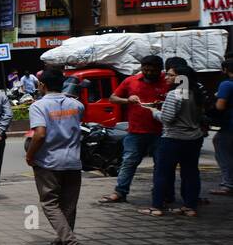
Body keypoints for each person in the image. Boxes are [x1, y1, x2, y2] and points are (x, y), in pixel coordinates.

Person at [26, 69, 86, 245]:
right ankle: (61, 243)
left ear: (42, 85)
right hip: (73, 162)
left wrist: (30, 155)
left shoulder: (38, 106)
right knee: (68, 205)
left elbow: (40, 134)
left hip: (49, 162)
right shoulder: (76, 105)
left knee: (50, 203)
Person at [100, 54, 168, 204]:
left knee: (162, 164)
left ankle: (161, 193)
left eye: (153, 70)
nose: (149, 73)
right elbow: (113, 98)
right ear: (142, 68)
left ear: (160, 70)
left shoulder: (168, 81)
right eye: (146, 70)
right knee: (129, 162)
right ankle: (120, 192)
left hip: (161, 131)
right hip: (136, 131)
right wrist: (127, 100)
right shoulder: (131, 81)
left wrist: (164, 102)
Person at [143, 57, 206, 217]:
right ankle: (189, 206)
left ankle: (156, 207)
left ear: (180, 78)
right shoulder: (195, 93)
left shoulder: (175, 94)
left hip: (173, 138)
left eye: (171, 75)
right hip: (194, 138)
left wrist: (154, 112)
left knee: (162, 173)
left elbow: (167, 118)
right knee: (190, 173)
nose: (166, 77)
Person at [213, 58, 233, 196]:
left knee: (223, 150)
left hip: (230, 125)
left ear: (225, 70)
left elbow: (220, 106)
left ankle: (228, 184)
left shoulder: (226, 84)